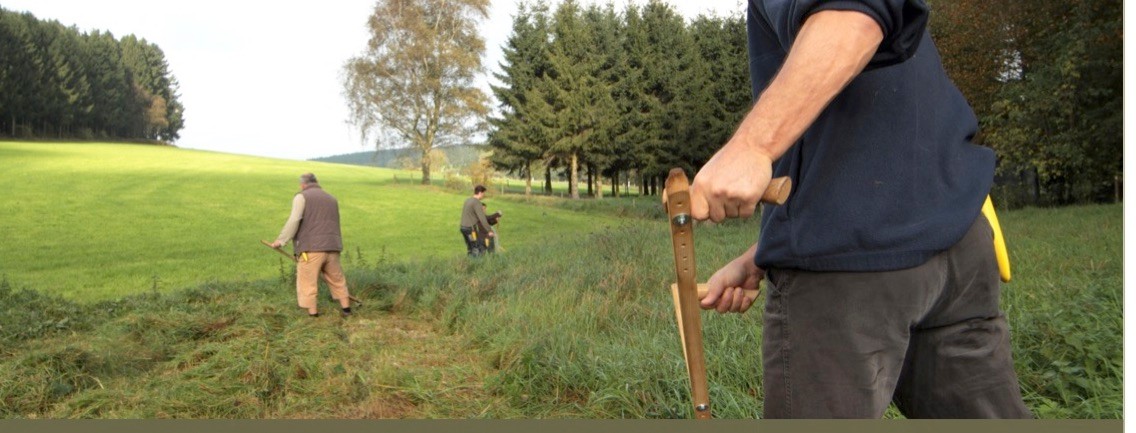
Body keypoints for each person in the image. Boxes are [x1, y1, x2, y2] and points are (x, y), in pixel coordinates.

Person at [690, 0, 1032, 419]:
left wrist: (752, 147)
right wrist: (760, 256)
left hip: (848, 272)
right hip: (956, 236)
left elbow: (855, 14)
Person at [270, 173, 353, 318]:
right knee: (337, 279)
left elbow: (294, 219)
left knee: (307, 281)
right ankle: (347, 310)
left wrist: (281, 240)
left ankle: (313, 315)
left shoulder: (302, 196)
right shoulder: (332, 199)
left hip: (310, 249)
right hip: (333, 247)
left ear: (302, 185)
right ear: (317, 182)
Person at [459, 185, 494, 256]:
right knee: (477, 248)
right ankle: (476, 264)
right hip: (470, 229)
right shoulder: (477, 202)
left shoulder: (468, 200)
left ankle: (469, 263)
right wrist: (489, 230)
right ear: (480, 193)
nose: (484, 196)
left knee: (470, 248)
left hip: (463, 228)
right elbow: (482, 218)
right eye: (483, 194)